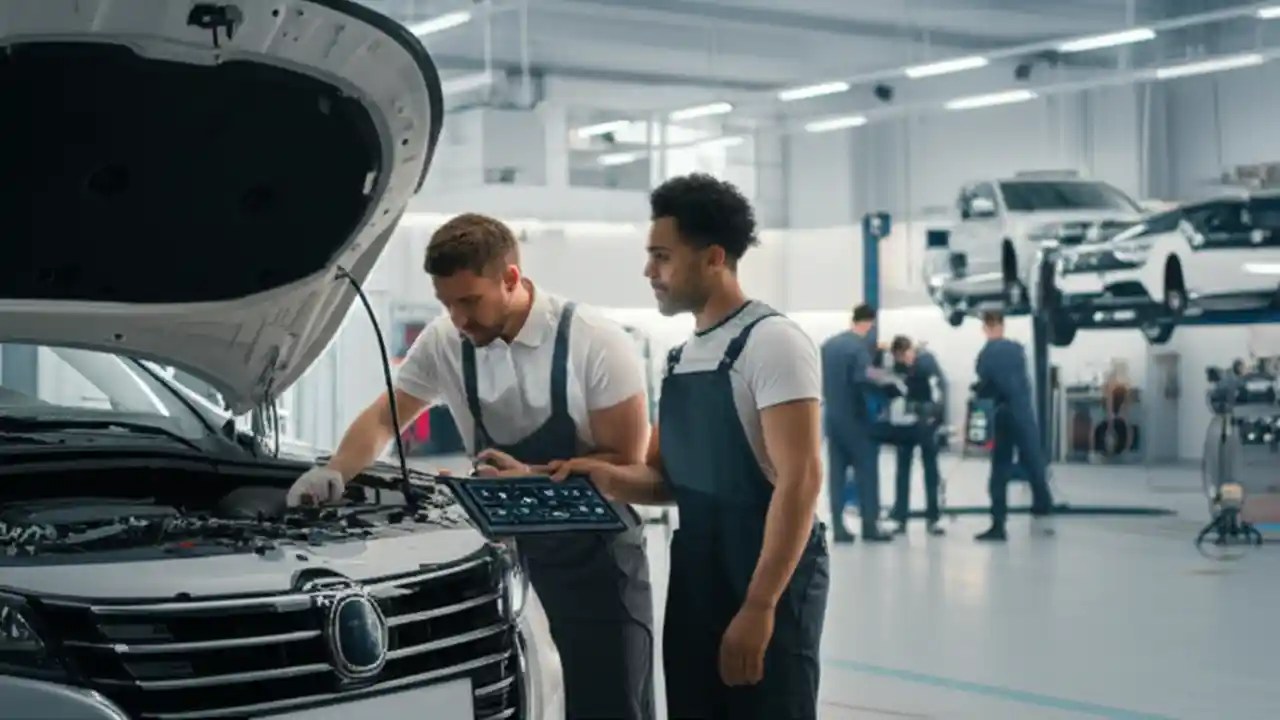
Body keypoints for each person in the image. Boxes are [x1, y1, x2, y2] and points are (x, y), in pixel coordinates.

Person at [285, 213, 656, 720]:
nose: (458, 318)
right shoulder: (444, 341)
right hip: (508, 563)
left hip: (596, 565)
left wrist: (529, 479)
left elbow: (626, 463)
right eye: (446, 303)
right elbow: (383, 417)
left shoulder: (596, 342)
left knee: (607, 708)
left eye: (469, 302)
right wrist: (335, 471)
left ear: (510, 279)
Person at [548, 173, 830, 719]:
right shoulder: (681, 357)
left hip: (764, 571)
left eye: (661, 256)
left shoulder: (772, 343)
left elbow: (801, 481)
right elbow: (667, 481)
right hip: (699, 570)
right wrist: (586, 473)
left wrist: (760, 604)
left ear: (713, 258)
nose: (649, 272)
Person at [973, 310, 1055, 542]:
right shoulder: (1018, 350)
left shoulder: (986, 354)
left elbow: (985, 384)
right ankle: (1043, 504)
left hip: (1002, 415)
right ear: (1002, 325)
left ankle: (998, 525)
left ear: (986, 328)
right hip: (1024, 412)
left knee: (999, 468)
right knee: (1033, 459)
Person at [820, 304, 898, 543]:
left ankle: (839, 528)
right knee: (866, 472)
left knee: (836, 474)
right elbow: (863, 378)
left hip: (832, 418)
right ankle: (870, 526)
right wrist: (889, 381)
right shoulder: (858, 347)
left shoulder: (829, 345)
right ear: (870, 322)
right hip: (856, 420)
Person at [888, 335, 947, 536]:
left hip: (926, 424)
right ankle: (900, 518)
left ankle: (933, 518)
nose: (903, 362)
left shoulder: (927, 363)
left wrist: (935, 417)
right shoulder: (898, 367)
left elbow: (941, 390)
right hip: (906, 425)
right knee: (902, 471)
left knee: (931, 471)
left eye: (904, 357)